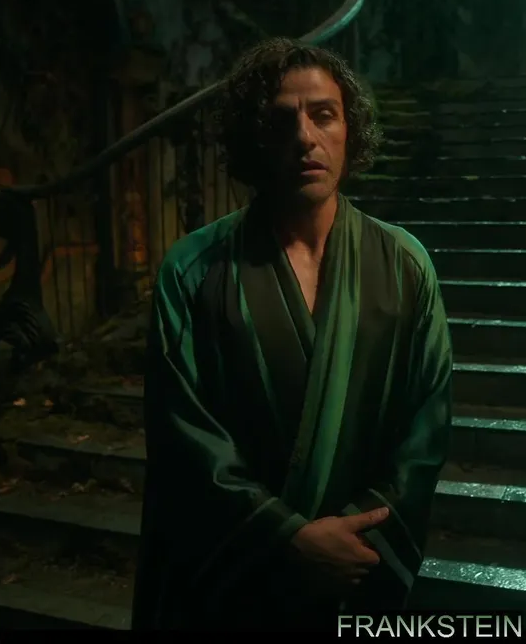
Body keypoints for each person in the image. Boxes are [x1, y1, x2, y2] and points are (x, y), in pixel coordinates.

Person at [131, 37, 453, 631]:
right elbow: (184, 436)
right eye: (281, 121)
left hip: (356, 567)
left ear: (350, 128)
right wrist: (287, 537)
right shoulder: (196, 270)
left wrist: (352, 538)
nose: (305, 137)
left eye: (323, 115)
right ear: (253, 140)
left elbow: (424, 431)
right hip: (236, 585)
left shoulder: (405, 265)